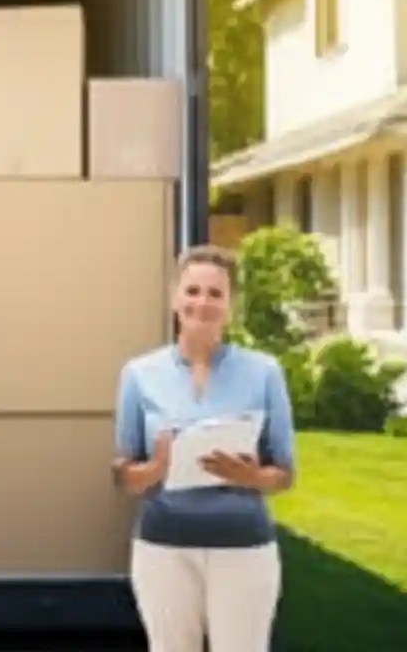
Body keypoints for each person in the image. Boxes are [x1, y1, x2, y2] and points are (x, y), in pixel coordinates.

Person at [112, 244, 297, 652]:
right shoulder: (139, 375)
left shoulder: (264, 372)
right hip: (163, 550)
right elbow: (123, 475)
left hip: (245, 550)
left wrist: (249, 477)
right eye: (193, 291)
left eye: (216, 294)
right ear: (176, 297)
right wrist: (157, 468)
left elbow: (285, 472)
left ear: (231, 304)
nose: (203, 302)